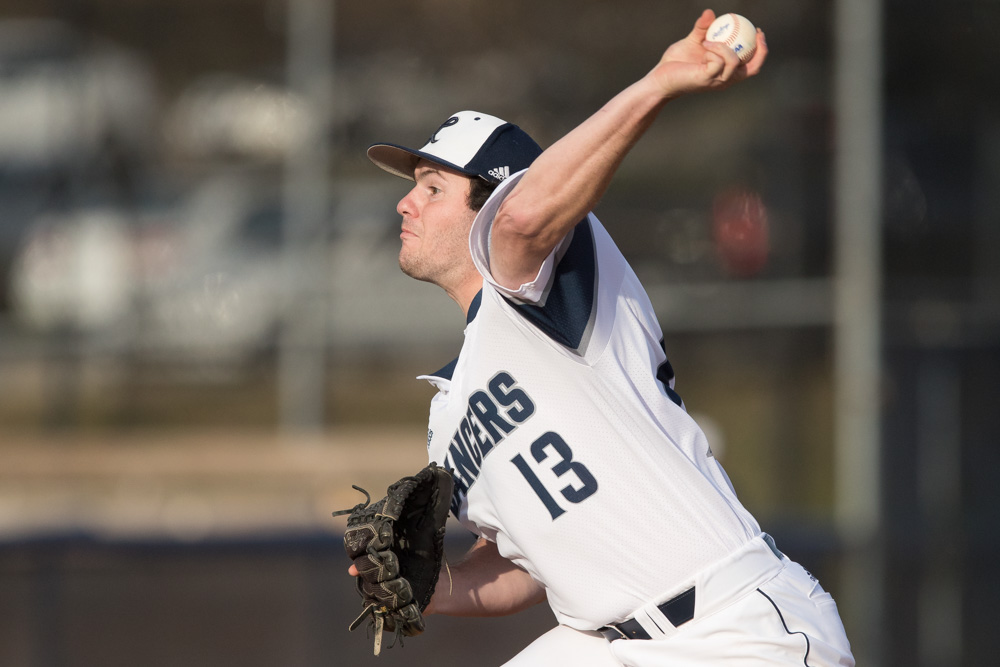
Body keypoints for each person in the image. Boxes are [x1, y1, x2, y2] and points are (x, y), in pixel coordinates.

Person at [354, 9, 854, 666]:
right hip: (610, 642)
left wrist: (660, 83)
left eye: (431, 187)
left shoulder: (537, 282)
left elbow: (528, 218)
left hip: (734, 627)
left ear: (495, 198)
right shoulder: (447, 411)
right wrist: (429, 585)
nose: (405, 203)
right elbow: (528, 568)